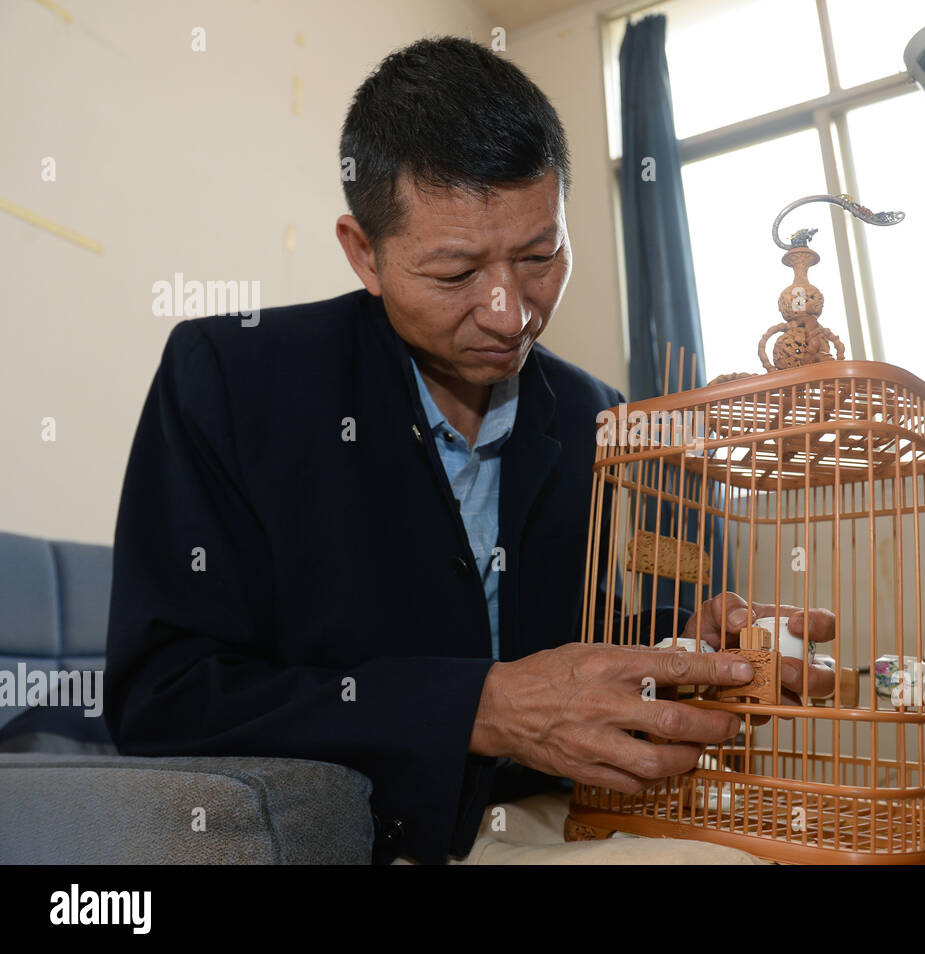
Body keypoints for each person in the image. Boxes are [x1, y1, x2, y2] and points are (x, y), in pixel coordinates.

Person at [104, 35, 833, 864]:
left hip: (547, 814)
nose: (508, 313)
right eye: (454, 273)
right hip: (367, 829)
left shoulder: (592, 413)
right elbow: (162, 699)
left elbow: (559, 646)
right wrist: (480, 707)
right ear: (363, 252)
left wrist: (689, 650)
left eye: (540, 258)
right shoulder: (229, 380)